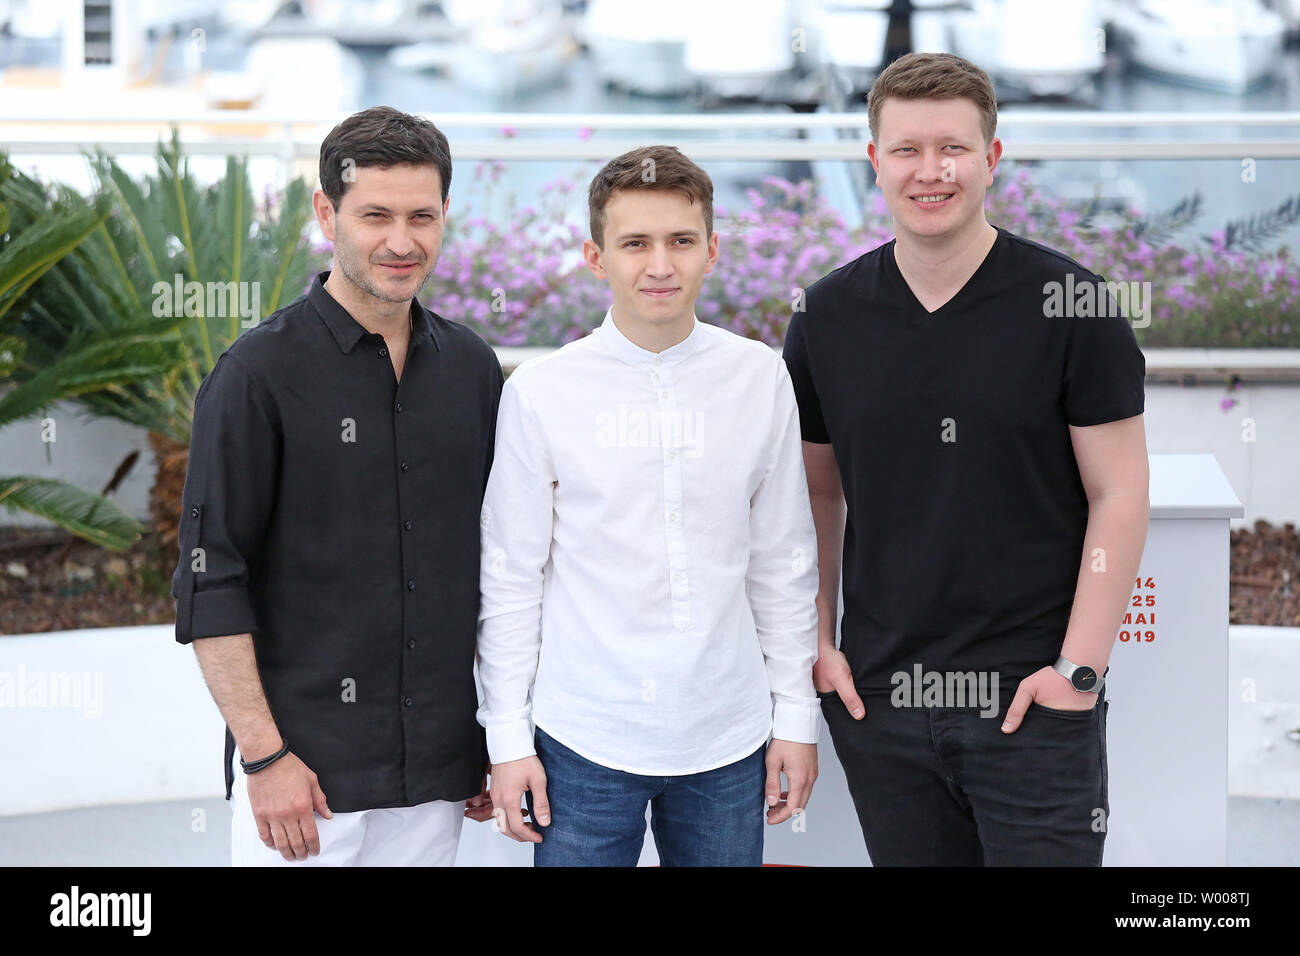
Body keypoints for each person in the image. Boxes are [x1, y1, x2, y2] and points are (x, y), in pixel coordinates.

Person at [783, 52, 1150, 866]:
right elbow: (814, 496)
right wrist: (818, 642)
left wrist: (1078, 673)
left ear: (992, 157)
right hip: (882, 700)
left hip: (1032, 702)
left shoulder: (1074, 306)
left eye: (952, 148)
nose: (931, 171)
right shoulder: (826, 316)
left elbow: (1120, 493)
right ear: (874, 161)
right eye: (907, 150)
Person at [171, 106, 503, 866]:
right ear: (327, 214)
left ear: (445, 215)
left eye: (422, 216)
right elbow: (209, 579)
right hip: (302, 782)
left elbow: (498, 565)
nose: (401, 242)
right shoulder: (256, 374)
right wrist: (263, 757)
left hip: (437, 776)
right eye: (375, 215)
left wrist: (493, 734)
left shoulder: (473, 369)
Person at [477, 145, 820, 866]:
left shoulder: (760, 379)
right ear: (595, 257)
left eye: (681, 241)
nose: (660, 265)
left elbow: (783, 562)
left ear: (712, 251)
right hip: (582, 736)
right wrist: (506, 740)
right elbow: (510, 577)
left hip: (728, 734)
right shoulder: (541, 393)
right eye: (635, 243)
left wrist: (797, 716)